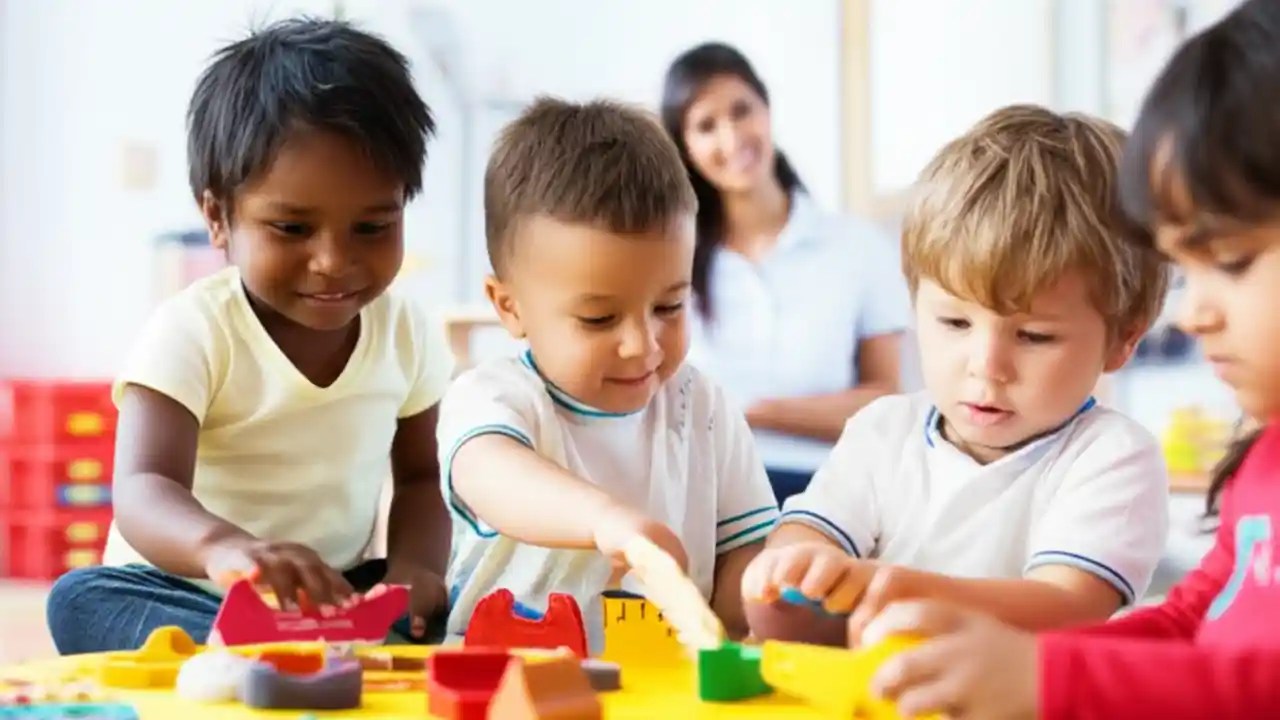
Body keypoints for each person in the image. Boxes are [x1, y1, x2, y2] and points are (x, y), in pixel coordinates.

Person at [855, 2, 1280, 718]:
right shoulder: (1264, 463)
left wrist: (1050, 681)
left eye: (1231, 262)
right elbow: (1189, 625)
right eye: (1187, 271)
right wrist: (1031, 663)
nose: (1192, 312)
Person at [44, 18, 454, 653]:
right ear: (218, 217)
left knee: (434, 604)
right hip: (180, 587)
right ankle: (263, 651)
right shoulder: (193, 330)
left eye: (372, 227)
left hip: (329, 594)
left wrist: (414, 572)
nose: (333, 260)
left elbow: (424, 480)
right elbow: (144, 487)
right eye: (292, 229)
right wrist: (223, 549)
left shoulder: (407, 333)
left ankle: (297, 653)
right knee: (80, 599)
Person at [740, 104, 1172, 637]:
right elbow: (807, 534)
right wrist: (797, 565)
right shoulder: (883, 431)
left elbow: (1067, 603)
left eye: (1034, 336)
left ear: (1123, 339)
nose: (986, 367)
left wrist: (896, 590)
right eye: (954, 322)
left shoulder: (1110, 457)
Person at [438, 97, 779, 652]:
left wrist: (753, 612)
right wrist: (605, 519)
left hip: (663, 688)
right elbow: (491, 475)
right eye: (599, 318)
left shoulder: (705, 408)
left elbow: (747, 551)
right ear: (510, 307)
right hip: (505, 683)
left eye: (669, 307)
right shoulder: (494, 395)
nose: (642, 344)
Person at [660, 42, 911, 504]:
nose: (732, 139)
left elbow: (886, 402)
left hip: (826, 487)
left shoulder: (855, 246)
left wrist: (757, 412)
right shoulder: (674, 258)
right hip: (701, 487)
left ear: (767, 110)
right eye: (706, 126)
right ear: (685, 147)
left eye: (742, 111)